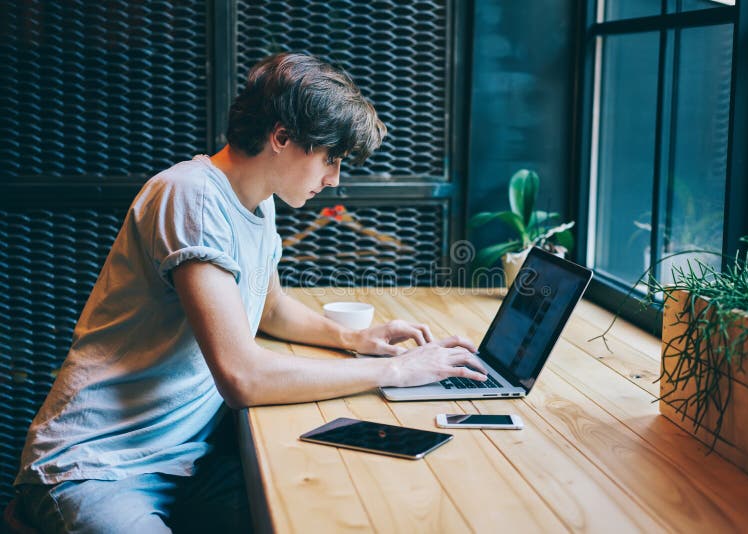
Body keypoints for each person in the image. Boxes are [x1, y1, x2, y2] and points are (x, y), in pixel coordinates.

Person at [14, 52, 487, 533]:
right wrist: (393, 370)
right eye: (331, 158)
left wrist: (354, 340)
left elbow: (269, 308)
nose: (335, 179)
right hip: (97, 466)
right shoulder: (191, 195)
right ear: (281, 137)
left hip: (185, 457)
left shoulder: (258, 205)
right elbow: (242, 377)